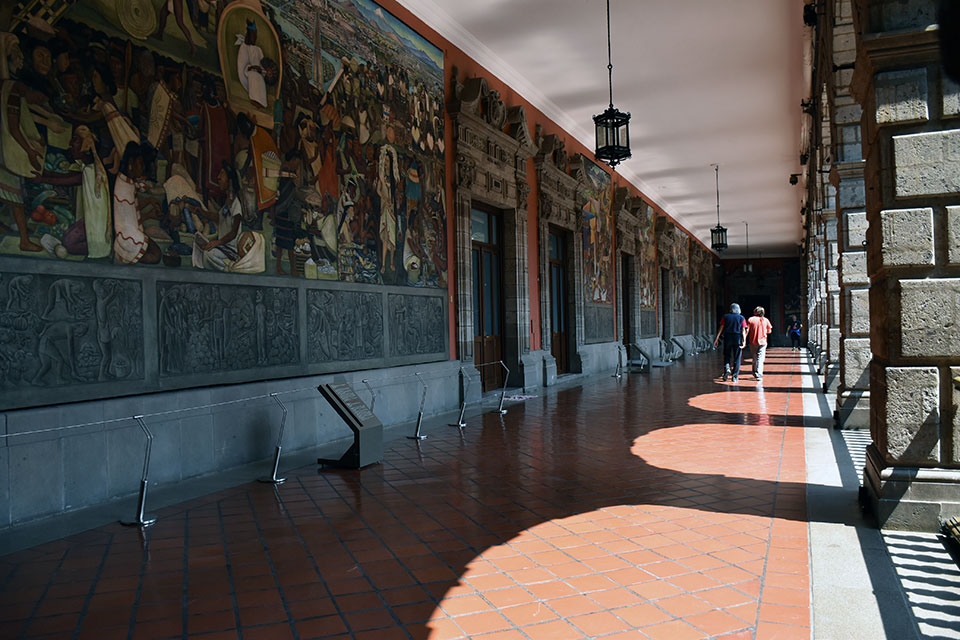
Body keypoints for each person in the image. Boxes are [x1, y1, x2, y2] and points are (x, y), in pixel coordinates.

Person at [714, 303, 748, 382]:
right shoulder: (741, 318)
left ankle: (727, 369)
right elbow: (743, 330)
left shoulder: (725, 317)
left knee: (727, 355)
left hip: (727, 337)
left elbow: (721, 328)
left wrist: (716, 338)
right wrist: (744, 340)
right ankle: (735, 376)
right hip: (737, 338)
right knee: (737, 357)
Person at [745, 306, 774, 380]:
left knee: (754, 357)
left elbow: (747, 331)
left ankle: (754, 371)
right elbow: (769, 331)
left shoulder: (751, 319)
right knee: (760, 358)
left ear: (755, 312)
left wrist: (744, 339)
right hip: (763, 342)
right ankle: (759, 373)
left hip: (753, 342)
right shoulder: (765, 320)